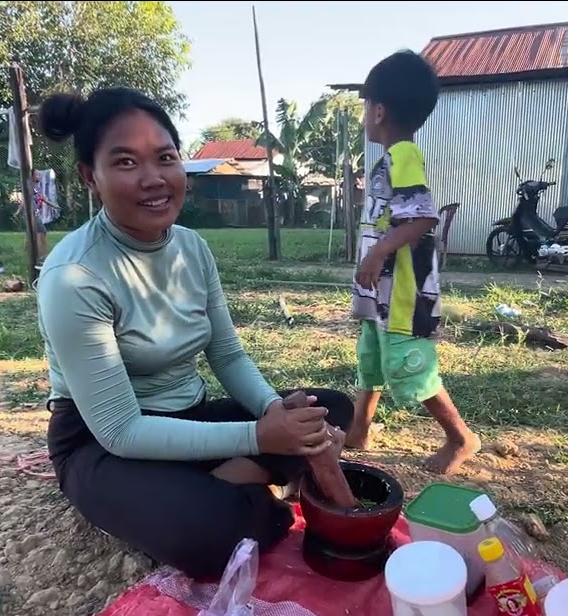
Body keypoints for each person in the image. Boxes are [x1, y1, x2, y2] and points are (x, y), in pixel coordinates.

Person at [34, 87, 354, 580]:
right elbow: (121, 430)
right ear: (89, 177)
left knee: (329, 409)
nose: (153, 179)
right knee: (212, 536)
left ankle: (224, 482)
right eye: (125, 162)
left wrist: (275, 414)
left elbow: (226, 354)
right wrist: (258, 436)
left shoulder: (192, 249)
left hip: (191, 414)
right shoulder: (74, 277)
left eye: (165, 157)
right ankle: (236, 492)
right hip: (101, 444)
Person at [342, 50, 480, 475]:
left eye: (366, 106)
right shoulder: (389, 157)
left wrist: (380, 251)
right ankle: (360, 429)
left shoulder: (404, 155)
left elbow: (422, 216)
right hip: (379, 286)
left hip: (400, 288)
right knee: (372, 354)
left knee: (406, 360)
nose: (366, 115)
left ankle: (460, 437)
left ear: (379, 110)